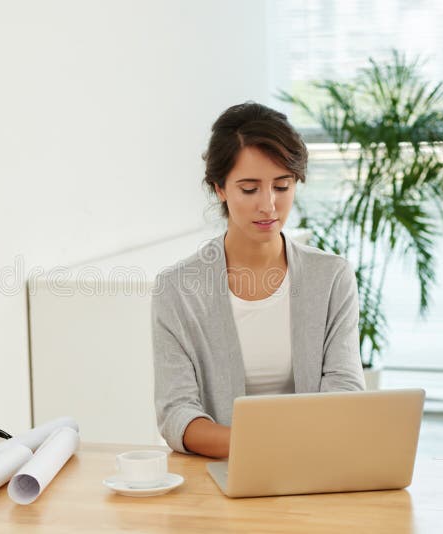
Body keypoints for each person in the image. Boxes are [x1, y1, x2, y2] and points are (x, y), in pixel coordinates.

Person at [152, 102, 365, 458]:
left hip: (316, 465)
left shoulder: (331, 277)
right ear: (220, 188)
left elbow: (345, 389)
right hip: (224, 468)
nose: (268, 205)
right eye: (249, 189)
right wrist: (264, 447)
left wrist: (294, 449)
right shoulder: (177, 290)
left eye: (282, 186)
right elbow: (177, 414)